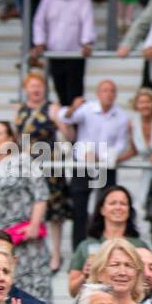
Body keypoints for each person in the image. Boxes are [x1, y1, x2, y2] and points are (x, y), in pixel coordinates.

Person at [0, 120, 51, 301]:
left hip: (24, 238)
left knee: (30, 290)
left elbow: (41, 193)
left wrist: (34, 224)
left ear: (10, 139)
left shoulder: (23, 161)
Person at [59, 80, 130, 249]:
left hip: (105, 165)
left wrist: (102, 156)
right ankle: (79, 248)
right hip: (83, 164)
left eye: (112, 91)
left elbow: (120, 143)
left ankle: (105, 244)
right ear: (98, 94)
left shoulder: (121, 116)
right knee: (79, 208)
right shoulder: (87, 109)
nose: (108, 94)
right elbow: (65, 117)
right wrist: (73, 108)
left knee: (107, 205)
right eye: (105, 90)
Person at [13, 70, 71, 271]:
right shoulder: (21, 110)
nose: (36, 89)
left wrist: (62, 121)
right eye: (32, 85)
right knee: (29, 208)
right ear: (26, 88)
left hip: (49, 163)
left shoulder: (52, 108)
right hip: (28, 164)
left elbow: (69, 133)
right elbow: (17, 137)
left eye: (39, 85)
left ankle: (55, 254)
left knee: (55, 211)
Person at [68, 185, 152, 296]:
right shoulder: (86, 246)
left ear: (129, 209)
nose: (118, 207)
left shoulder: (139, 245)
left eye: (123, 203)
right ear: (102, 209)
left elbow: (148, 284)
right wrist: (85, 275)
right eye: (113, 203)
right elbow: (72, 291)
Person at [30, 0, 95, 106]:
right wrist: (39, 42)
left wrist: (86, 42)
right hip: (54, 54)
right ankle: (64, 124)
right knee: (60, 92)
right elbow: (39, 22)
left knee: (75, 95)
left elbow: (87, 22)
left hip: (75, 55)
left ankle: (74, 126)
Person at [119, 86, 152, 239]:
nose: (145, 106)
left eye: (148, 102)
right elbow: (133, 149)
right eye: (141, 102)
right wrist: (115, 159)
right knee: (142, 203)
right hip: (147, 169)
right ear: (136, 105)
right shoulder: (132, 123)